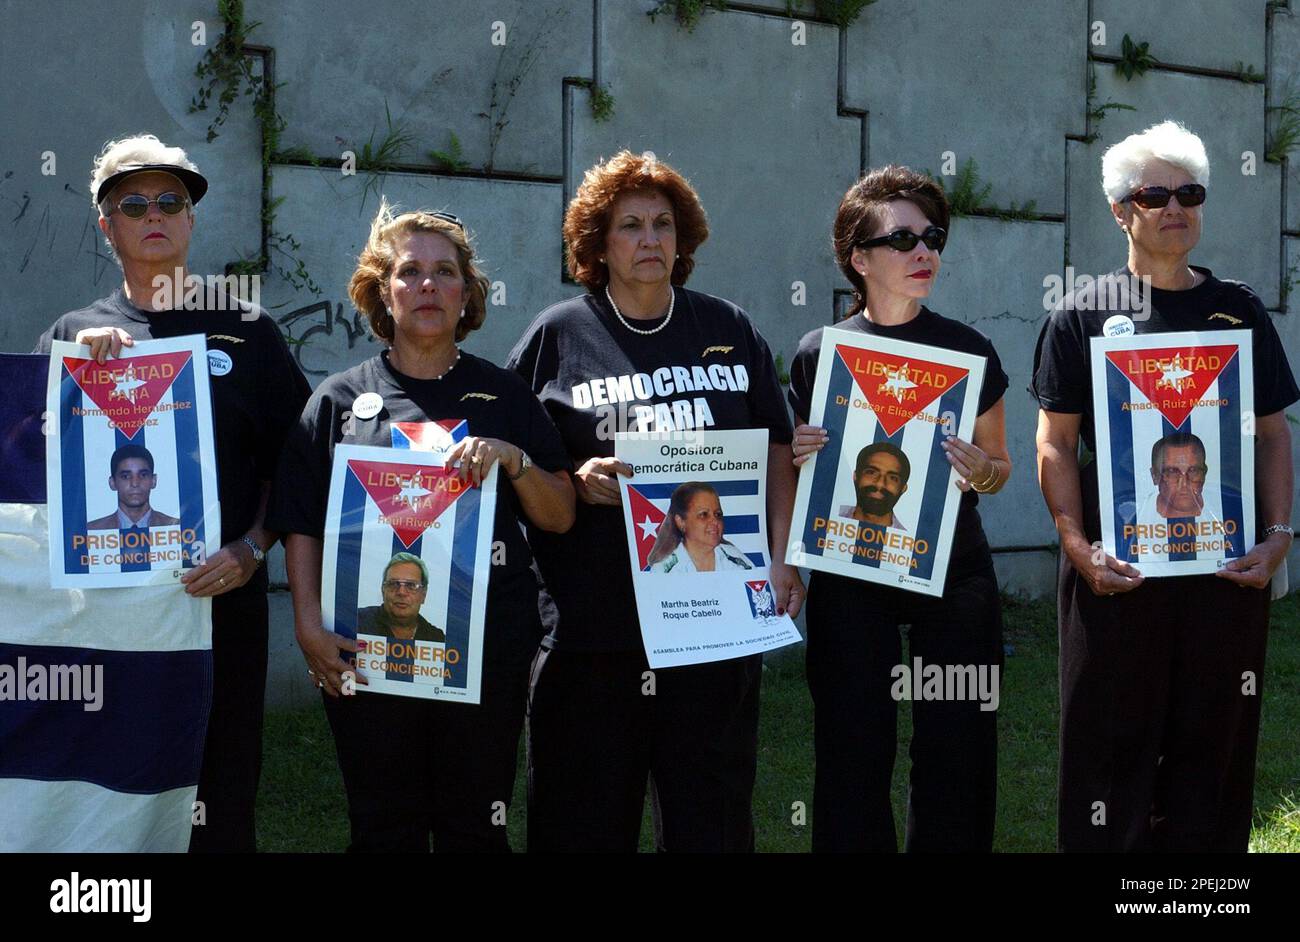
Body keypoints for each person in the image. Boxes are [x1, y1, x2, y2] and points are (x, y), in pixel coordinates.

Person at [508, 150, 802, 852]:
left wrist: (787, 561)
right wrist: (578, 478)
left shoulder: (728, 329)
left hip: (714, 624)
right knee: (581, 818)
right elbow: (526, 470)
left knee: (712, 817)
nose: (649, 240)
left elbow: (776, 452)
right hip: (592, 626)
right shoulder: (557, 335)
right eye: (630, 225)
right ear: (597, 245)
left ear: (684, 239)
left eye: (663, 225)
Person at [267, 200, 574, 852]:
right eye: (409, 272)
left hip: (484, 654)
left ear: (468, 293)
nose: (427, 285)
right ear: (384, 290)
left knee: (475, 826)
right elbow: (300, 522)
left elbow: (561, 512)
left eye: (444, 272)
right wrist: (306, 624)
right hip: (367, 654)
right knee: (382, 825)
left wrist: (514, 461)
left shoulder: (505, 395)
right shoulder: (338, 401)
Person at [35, 134, 310, 853]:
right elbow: (30, 478)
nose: (153, 214)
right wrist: (76, 384)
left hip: (220, 609)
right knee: (109, 794)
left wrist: (253, 548)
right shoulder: (69, 338)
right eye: (134, 204)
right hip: (104, 623)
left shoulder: (249, 330)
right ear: (107, 226)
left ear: (189, 220)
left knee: (220, 793)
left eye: (170, 201)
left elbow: (299, 461)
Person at [1032, 120, 1297, 852]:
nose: (1174, 207)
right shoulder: (1081, 313)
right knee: (1108, 749)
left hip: (1224, 571)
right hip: (1118, 573)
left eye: (1190, 192)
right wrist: (1077, 546)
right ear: (1121, 209)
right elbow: (1053, 442)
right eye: (1155, 194)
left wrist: (1279, 538)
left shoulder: (1238, 310)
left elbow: (1273, 432)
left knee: (1213, 749)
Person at [788, 165, 1011, 852]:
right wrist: (796, 453)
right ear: (859, 258)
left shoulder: (970, 350)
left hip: (954, 574)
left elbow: (1000, 468)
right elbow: (799, 480)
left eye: (933, 238)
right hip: (851, 576)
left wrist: (983, 470)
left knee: (958, 744)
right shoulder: (818, 354)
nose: (925, 253)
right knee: (853, 747)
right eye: (904, 239)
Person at [646, 482, 753, 573]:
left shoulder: (736, 560)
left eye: (718, 514)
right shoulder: (664, 570)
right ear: (681, 522)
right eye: (703, 515)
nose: (715, 521)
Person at [86, 444, 180, 530]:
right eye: (125, 476)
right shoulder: (92, 531)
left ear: (153, 480)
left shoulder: (175, 527)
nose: (135, 483)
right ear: (112, 483)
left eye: (143, 475)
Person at [357, 552, 445, 641]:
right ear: (383, 590)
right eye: (394, 584)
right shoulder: (356, 621)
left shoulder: (436, 638)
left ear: (423, 595)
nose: (401, 592)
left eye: (411, 585)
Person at [837, 442, 910, 528]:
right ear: (856, 476)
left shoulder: (911, 539)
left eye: (893, 478)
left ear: (903, 488)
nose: (880, 484)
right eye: (871, 472)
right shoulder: (826, 513)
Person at [1149, 431, 1207, 519]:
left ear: (1204, 473)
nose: (1184, 484)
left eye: (1193, 471)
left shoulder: (1220, 514)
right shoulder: (1142, 518)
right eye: (1172, 472)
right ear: (1154, 476)